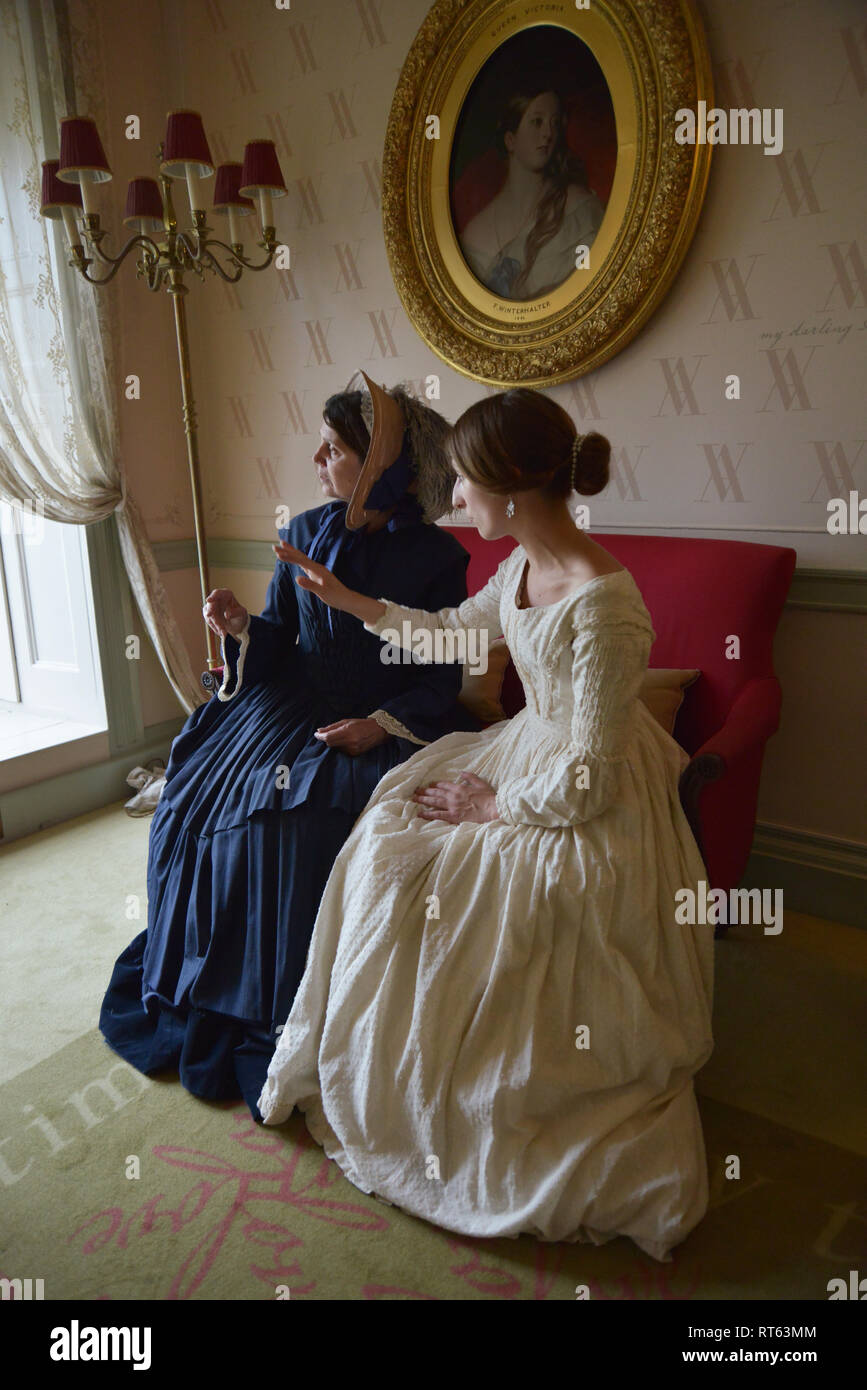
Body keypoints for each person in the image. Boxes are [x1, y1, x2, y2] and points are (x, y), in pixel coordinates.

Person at [256, 387, 716, 1263]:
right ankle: (387, 1069)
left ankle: (474, 1098)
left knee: (476, 897)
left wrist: (494, 805)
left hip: (582, 792)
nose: (455, 498)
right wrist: (350, 601)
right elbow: (449, 636)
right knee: (390, 832)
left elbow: (590, 772)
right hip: (528, 750)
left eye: (463, 480)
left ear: (507, 488)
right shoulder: (518, 569)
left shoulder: (604, 607)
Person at [99, 371, 471, 1118]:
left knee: (298, 824)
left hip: (379, 715)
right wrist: (241, 626)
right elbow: (283, 645)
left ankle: (278, 1006)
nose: (316, 460)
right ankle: (206, 983)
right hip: (289, 703)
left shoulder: (432, 559)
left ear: (379, 467)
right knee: (195, 796)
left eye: (333, 449)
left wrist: (382, 725)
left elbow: (441, 676)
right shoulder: (302, 532)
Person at [459, 83, 605, 300]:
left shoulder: (579, 209)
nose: (548, 133)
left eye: (554, 123)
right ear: (510, 140)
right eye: (537, 122)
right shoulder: (474, 235)